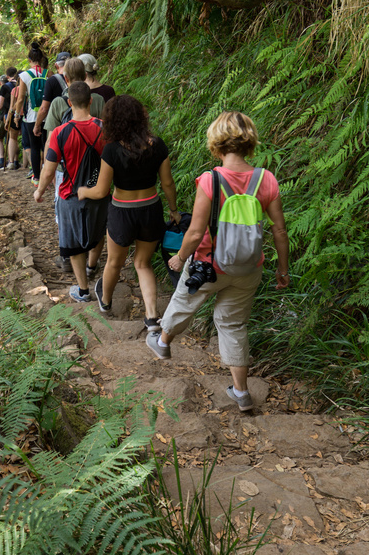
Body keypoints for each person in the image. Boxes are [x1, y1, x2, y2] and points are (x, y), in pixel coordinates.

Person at [145, 111, 290, 414]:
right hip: (248, 267)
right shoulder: (267, 179)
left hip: (209, 264)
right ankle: (241, 391)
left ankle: (163, 341)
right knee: (233, 323)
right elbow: (279, 229)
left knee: (185, 299)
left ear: (216, 144)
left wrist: (180, 257)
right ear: (250, 143)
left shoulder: (211, 180)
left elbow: (196, 231)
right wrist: (282, 268)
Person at [78, 94, 180, 326]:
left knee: (115, 262)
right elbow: (167, 183)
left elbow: (102, 190)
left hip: (122, 212)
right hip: (150, 209)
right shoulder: (157, 144)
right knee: (142, 263)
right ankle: (152, 316)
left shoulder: (112, 150)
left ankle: (105, 302)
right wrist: (173, 209)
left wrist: (84, 191)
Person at [34, 81, 109, 302]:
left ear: (69, 103)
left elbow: (48, 172)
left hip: (69, 194)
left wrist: (39, 192)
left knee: (75, 242)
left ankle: (83, 289)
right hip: (100, 192)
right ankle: (92, 266)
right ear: (91, 101)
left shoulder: (59, 132)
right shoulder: (105, 128)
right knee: (98, 232)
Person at [13, 43, 47, 186]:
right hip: (47, 115)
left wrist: (16, 115)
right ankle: (48, 174)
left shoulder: (24, 75)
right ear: (41, 58)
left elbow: (21, 98)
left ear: (29, 59)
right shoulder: (48, 74)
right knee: (47, 145)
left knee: (34, 146)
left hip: (31, 116)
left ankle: (37, 177)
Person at [44, 57, 105, 134]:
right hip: (93, 144)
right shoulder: (98, 100)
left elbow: (51, 137)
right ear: (85, 76)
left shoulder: (57, 103)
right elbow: (105, 129)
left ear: (65, 78)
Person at [32, 51, 70, 139]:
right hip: (76, 123)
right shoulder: (79, 78)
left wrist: (37, 125)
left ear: (56, 66)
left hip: (56, 125)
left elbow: (44, 108)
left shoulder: (52, 81)